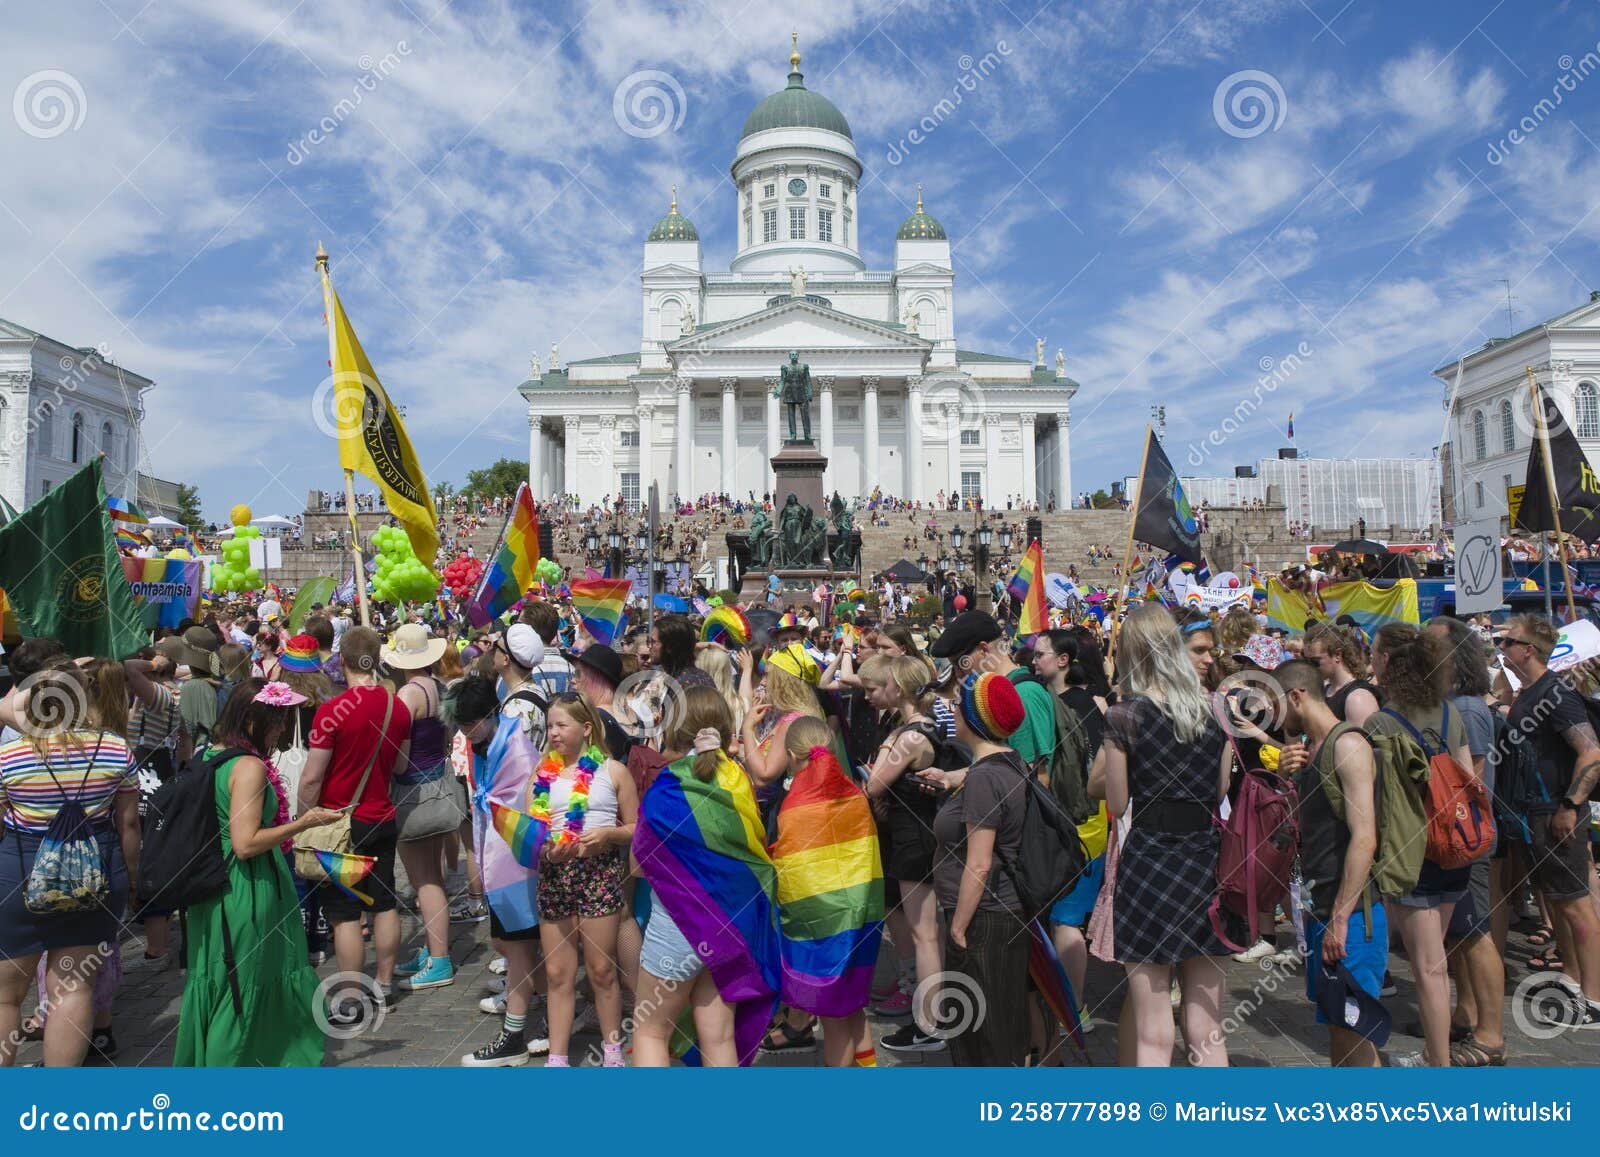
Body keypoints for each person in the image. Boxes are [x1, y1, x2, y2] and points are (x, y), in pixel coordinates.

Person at [174, 681, 345, 1065]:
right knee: (244, 980)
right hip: (246, 889)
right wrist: (304, 822)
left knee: (224, 978)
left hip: (216, 892)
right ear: (252, 718)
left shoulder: (210, 754)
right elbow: (246, 842)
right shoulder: (249, 766)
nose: (282, 729)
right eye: (276, 720)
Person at [1096, 605, 1234, 1067]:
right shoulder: (1214, 710)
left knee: (1154, 1031)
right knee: (1207, 1024)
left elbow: (1116, 804)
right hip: (1205, 860)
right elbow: (1218, 793)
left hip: (1150, 861)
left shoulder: (1125, 715)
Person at [0, 667, 139, 1067]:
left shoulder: (9, 756)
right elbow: (128, 824)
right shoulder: (114, 749)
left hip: (19, 874)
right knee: (74, 987)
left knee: (6, 993)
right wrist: (132, 877)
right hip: (95, 875)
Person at [1363, 622, 1474, 1066]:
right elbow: (1470, 782)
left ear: (1388, 663)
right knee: (1435, 958)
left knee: (1428, 965)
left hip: (1412, 852)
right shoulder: (1451, 713)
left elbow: (1372, 796)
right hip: (1455, 845)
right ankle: (1434, 1052)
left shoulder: (1380, 722)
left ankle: (1438, 1064)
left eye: (1373, 654)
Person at [1273, 660, 1385, 1066]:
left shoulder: (1347, 745)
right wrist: (1289, 782)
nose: (1274, 718)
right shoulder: (1311, 750)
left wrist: (1341, 917)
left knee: (1354, 1028)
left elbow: (1364, 837)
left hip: (1353, 914)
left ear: (1296, 697)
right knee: (1339, 1023)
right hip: (1322, 907)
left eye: (1277, 705)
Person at [298, 626, 412, 1017]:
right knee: (383, 904)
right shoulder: (398, 708)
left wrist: (302, 817)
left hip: (339, 820)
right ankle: (383, 983)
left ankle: (351, 995)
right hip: (382, 815)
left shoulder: (331, 712)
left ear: (342, 661)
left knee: (345, 913)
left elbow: (312, 777)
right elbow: (400, 765)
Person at [1496, 613, 1600, 1028]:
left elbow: (1591, 752)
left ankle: (1594, 997)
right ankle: (1573, 981)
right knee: (1558, 904)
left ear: (1529, 650)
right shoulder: (1528, 691)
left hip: (1556, 813)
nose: (1502, 647)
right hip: (1536, 814)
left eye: (1508, 642)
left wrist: (1571, 805)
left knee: (1576, 906)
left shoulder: (1555, 694)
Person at [631, 688, 744, 1067]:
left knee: (650, 1031)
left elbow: (637, 864)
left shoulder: (667, 786)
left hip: (677, 928)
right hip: (730, 927)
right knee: (719, 1034)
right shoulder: (737, 781)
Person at [929, 671, 1030, 1066]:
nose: (951, 709)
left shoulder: (984, 779)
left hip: (981, 919)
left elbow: (980, 863)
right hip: (1001, 914)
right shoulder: (1007, 761)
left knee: (982, 1037)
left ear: (974, 721)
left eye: (958, 704)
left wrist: (957, 928)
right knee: (999, 1026)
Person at [772, 715, 883, 1067]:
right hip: (862, 914)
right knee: (853, 1007)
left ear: (792, 754)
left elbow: (791, 871)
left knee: (834, 1017)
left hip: (823, 926)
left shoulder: (794, 806)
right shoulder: (854, 795)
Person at [536, 693, 639, 1069]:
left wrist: (609, 836)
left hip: (599, 874)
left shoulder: (613, 771)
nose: (554, 733)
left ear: (586, 728)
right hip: (555, 876)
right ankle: (557, 1057)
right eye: (550, 726)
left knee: (601, 969)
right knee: (557, 972)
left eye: (562, 725)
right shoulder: (543, 773)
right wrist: (547, 850)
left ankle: (612, 1051)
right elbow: (533, 832)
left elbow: (636, 827)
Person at [1424, 616, 1506, 1064]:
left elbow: (1470, 782)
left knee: (1476, 935)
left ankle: (1492, 1036)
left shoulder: (1469, 709)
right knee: (1460, 935)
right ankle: (1466, 1013)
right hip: (1452, 839)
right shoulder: (1451, 703)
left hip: (1466, 839)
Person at [859, 653, 949, 1054]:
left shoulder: (912, 735)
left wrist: (879, 757)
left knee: (924, 933)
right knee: (924, 930)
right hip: (911, 832)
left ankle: (929, 1024)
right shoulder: (917, 727)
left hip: (914, 836)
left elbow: (874, 786)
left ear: (901, 687)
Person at [385, 625, 461, 993]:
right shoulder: (439, 687)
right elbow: (447, 740)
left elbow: (399, 759)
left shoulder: (407, 695)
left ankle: (440, 959)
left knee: (424, 880)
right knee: (434, 876)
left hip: (414, 792)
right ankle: (435, 949)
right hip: (438, 785)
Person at [1305, 623, 1380, 725]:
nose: (1309, 667)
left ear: (1337, 655)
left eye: (1315, 661)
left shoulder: (1358, 698)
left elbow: (1361, 740)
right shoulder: (1324, 691)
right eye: (1306, 661)